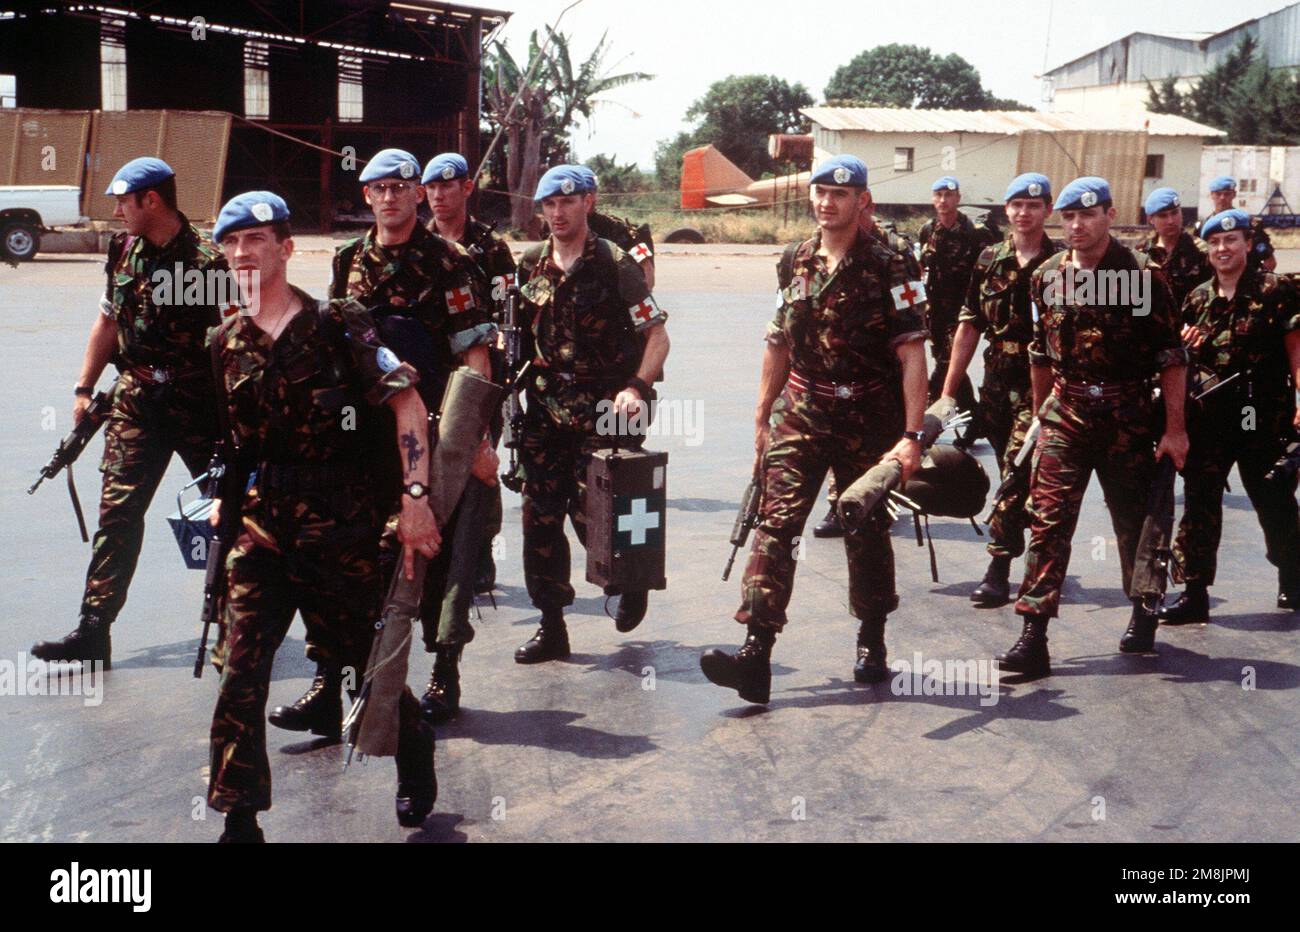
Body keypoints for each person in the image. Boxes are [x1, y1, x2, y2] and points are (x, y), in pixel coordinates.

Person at [204, 192, 438, 842]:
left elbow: (407, 406)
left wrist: (415, 500)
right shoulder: (224, 343)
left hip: (340, 524)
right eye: (232, 241)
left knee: (362, 660)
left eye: (257, 239)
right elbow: (234, 443)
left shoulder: (340, 323)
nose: (243, 252)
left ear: (285, 248)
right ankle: (239, 818)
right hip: (262, 526)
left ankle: (412, 746)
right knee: (241, 670)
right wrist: (225, 496)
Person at [268, 149, 496, 736]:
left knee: (440, 557)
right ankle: (332, 682)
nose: (390, 197)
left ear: (419, 194)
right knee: (344, 555)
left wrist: (478, 438)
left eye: (401, 187)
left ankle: (444, 670)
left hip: (439, 430)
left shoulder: (452, 260)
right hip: (365, 431)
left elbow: (474, 355)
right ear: (366, 196)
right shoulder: (348, 259)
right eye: (379, 188)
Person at [699, 155, 928, 704]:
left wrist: (912, 436)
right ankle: (755, 654)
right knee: (775, 523)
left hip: (868, 416)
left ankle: (872, 637)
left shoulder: (894, 263)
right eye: (820, 192)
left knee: (865, 529)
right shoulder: (795, 259)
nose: (827, 202)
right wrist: (761, 415)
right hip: (801, 409)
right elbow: (778, 340)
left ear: (863, 202)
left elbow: (913, 352)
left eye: (840, 194)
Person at [31, 158, 228, 669]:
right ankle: (94, 630)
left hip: (199, 406)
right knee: (117, 514)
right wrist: (83, 387)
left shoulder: (208, 262)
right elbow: (107, 321)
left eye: (124, 201)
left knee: (228, 512)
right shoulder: (123, 249)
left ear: (152, 200)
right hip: (136, 401)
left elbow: (235, 340)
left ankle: (237, 626)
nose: (117, 211)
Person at [997, 177, 1189, 680]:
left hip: (1127, 412)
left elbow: (1171, 355)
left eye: (1087, 215)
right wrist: (1042, 415)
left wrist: (1174, 429)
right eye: (1068, 217)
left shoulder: (1143, 276)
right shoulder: (1046, 275)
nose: (1076, 226)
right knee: (1049, 520)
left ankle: (1144, 608)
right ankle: (1033, 635)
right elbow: (1040, 351)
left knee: (1134, 521)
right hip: (1068, 412)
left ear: (1109, 214)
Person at [512, 165, 670, 662]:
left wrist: (636, 386)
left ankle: (629, 581)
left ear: (589, 203)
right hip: (544, 409)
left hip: (605, 407)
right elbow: (516, 336)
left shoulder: (615, 264)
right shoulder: (531, 263)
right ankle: (551, 623)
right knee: (539, 517)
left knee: (596, 512)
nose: (557, 213)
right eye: (549, 205)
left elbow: (657, 337)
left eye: (567, 202)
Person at [1159, 208, 1300, 624]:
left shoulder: (1276, 291)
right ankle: (1194, 592)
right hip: (1210, 417)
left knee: (1272, 499)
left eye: (1231, 240)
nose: (1223, 249)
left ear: (1246, 244)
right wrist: (1188, 346)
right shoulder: (1198, 298)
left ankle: (1292, 573)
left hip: (1259, 416)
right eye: (1215, 243)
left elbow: (1296, 350)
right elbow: (1179, 362)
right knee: (1200, 501)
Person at [419, 151, 517, 722]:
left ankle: (477, 554)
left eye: (447, 184)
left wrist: (492, 392)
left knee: (472, 485)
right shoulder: (418, 241)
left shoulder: (490, 248)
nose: (438, 194)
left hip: (477, 382)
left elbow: (503, 322)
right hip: (419, 400)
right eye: (430, 185)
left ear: (467, 188)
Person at [940, 173, 1061, 606]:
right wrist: (949, 390)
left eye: (1034, 205)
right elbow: (970, 322)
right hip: (997, 382)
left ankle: (999, 565)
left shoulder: (1064, 263)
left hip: (1040, 383)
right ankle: (1023, 542)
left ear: (1047, 210)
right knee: (1015, 472)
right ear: (1006, 210)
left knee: (1015, 470)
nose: (1024, 213)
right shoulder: (989, 258)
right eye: (1017, 205)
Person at [810, 190, 922, 540]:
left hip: (883, 372)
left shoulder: (895, 255)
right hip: (840, 373)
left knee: (873, 448)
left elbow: (911, 323)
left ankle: (875, 500)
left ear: (866, 206)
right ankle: (837, 502)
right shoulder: (817, 250)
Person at [917, 176, 997, 446]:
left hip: (964, 312)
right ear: (932, 198)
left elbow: (990, 270)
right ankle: (976, 420)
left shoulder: (975, 232)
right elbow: (923, 271)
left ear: (958, 198)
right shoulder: (928, 230)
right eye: (938, 194)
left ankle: (926, 418)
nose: (943, 200)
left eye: (948, 195)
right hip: (936, 312)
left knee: (945, 367)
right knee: (954, 368)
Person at [1135, 187, 1212, 308]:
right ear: (1151, 219)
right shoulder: (1142, 253)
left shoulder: (1201, 251)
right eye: (1163, 216)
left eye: (1175, 213)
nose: (1171, 221)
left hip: (1191, 323)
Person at [1207, 175, 1276, 274]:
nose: (1222, 198)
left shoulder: (1249, 224)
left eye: (1227, 194)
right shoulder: (1204, 227)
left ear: (1234, 195)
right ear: (1211, 195)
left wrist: (1258, 284)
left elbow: (1269, 261)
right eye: (1218, 194)